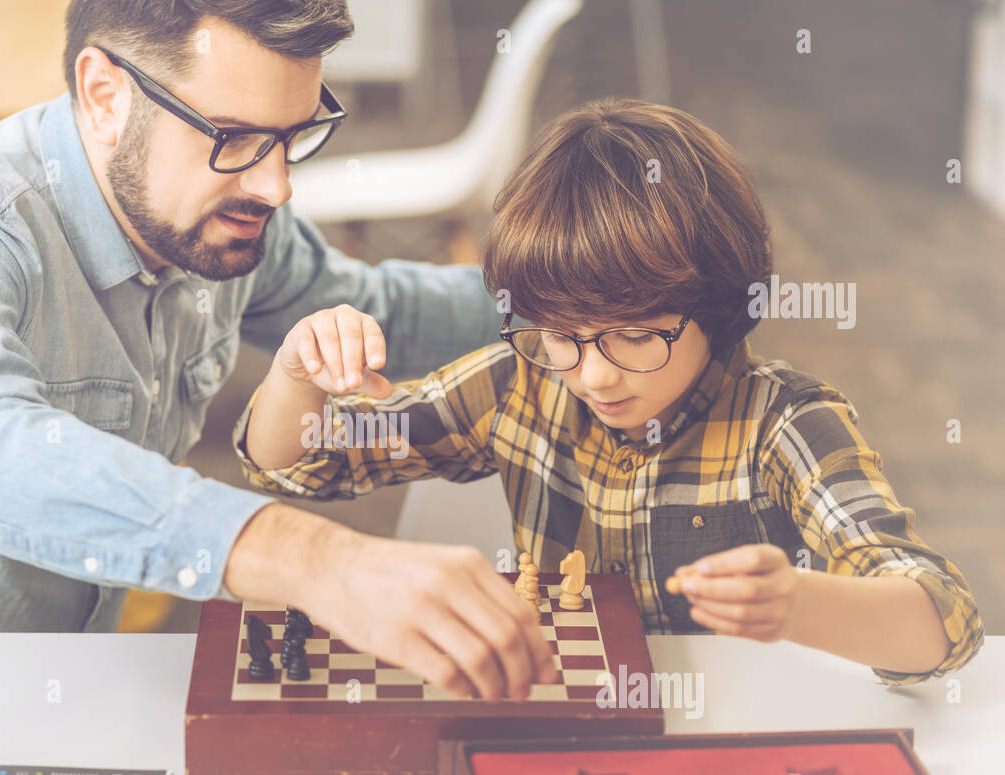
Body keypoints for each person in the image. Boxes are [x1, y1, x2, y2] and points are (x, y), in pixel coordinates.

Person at [0, 1, 555, 701]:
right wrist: (310, 556)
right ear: (103, 96)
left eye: (293, 136)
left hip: (63, 698)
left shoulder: (216, 218)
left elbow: (385, 310)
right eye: (232, 136)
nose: (276, 186)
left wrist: (603, 296)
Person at [235, 97, 984, 685]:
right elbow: (300, 463)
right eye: (562, 332)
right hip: (563, 714)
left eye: (634, 334)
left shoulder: (785, 422)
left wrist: (799, 602)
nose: (593, 374)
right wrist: (293, 374)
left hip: (732, 732)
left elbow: (944, 624)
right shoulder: (520, 382)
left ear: (722, 305)